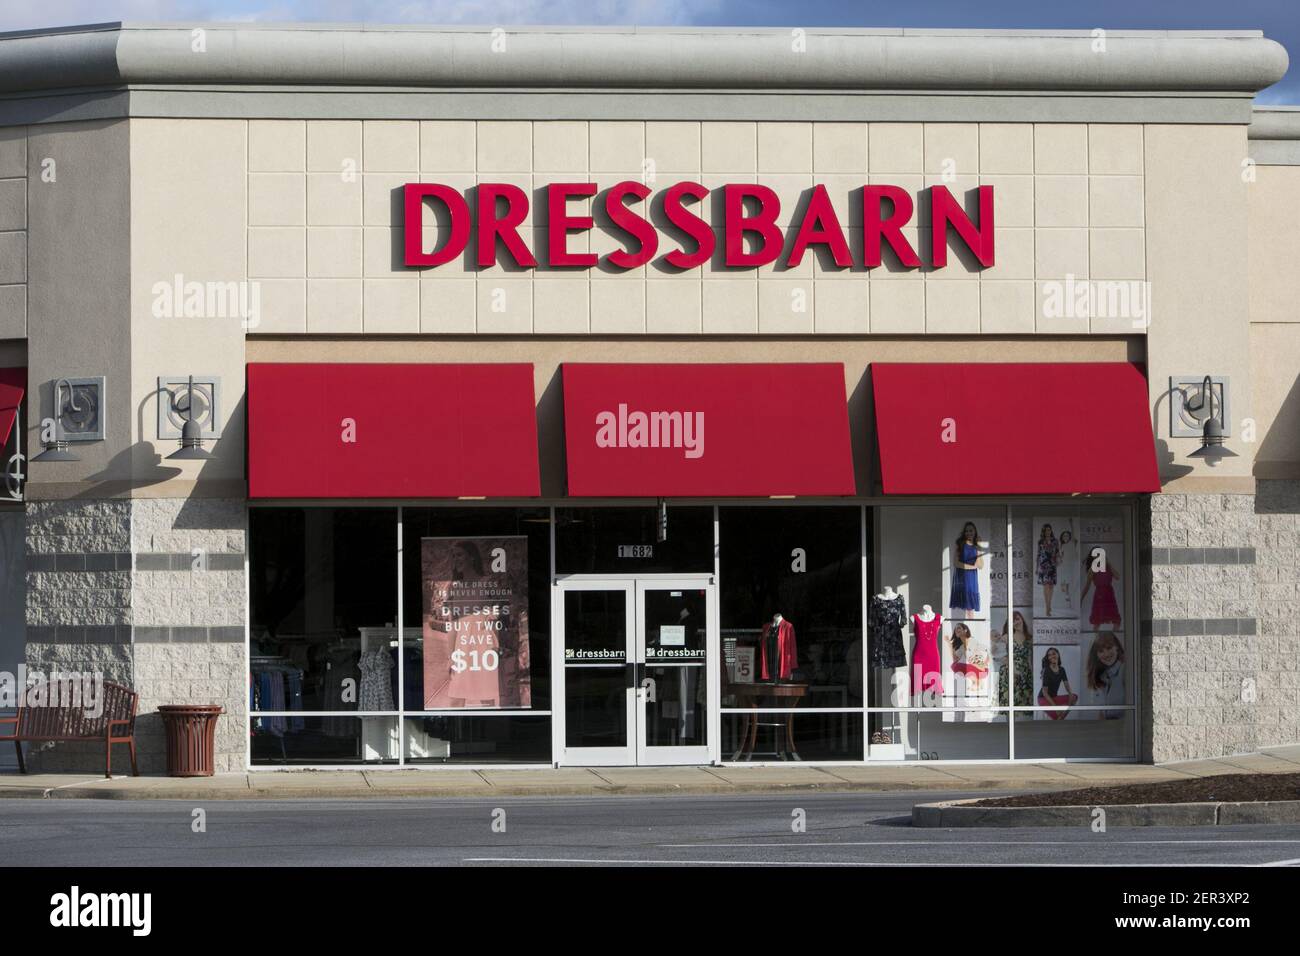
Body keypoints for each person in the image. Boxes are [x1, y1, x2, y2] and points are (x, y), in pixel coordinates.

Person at [994, 610, 1033, 709]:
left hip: (1025, 673)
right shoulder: (1007, 637)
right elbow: (994, 654)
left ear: (1022, 619)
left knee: (1024, 704)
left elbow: (1030, 659)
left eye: (1017, 619)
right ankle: (1009, 724)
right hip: (1009, 672)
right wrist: (1006, 661)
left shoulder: (1030, 638)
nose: (1016, 622)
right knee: (1009, 702)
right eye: (1012, 621)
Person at [1083, 631, 1126, 718]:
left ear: (1116, 648)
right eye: (1101, 651)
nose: (1106, 654)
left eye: (1109, 648)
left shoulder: (1125, 671)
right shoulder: (1100, 676)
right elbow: (1102, 713)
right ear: (1096, 655)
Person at [1080, 547, 1122, 629]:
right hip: (1099, 595)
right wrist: (1081, 599)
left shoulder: (1108, 566)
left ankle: (1112, 638)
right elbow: (1087, 586)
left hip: (1110, 594)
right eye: (1096, 555)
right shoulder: (1092, 569)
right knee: (1097, 620)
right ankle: (1096, 640)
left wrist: (1108, 563)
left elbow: (1117, 576)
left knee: (1116, 620)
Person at [949, 521, 983, 619]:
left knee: (970, 609)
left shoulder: (977, 546)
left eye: (971, 530)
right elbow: (956, 563)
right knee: (960, 609)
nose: (969, 533)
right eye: (967, 531)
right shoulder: (960, 543)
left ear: (975, 531)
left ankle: (969, 629)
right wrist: (972, 567)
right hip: (961, 578)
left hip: (971, 579)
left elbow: (980, 565)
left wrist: (979, 547)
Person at [1037, 646, 1077, 719]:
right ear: (1048, 658)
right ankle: (1060, 718)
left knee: (1074, 697)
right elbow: (1045, 693)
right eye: (1049, 655)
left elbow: (1067, 686)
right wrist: (1056, 708)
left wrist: (1070, 694)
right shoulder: (1047, 670)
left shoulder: (1062, 670)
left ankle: (1061, 717)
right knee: (1058, 716)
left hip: (1053, 698)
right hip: (1043, 699)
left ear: (1058, 654)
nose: (1052, 656)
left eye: (1054, 653)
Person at [1036, 523, 1059, 617]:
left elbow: (1057, 553)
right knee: (1045, 586)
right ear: (1044, 531)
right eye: (1046, 530)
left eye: (1049, 530)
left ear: (1051, 531)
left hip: (1052, 565)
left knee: (1051, 586)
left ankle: (1049, 605)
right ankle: (1047, 607)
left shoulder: (1055, 541)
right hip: (1043, 565)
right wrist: (1036, 567)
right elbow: (1038, 554)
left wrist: (1057, 561)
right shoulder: (1040, 541)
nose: (1048, 532)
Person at [1056, 528, 1078, 611]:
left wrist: (1071, 523)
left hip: (1071, 567)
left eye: (1067, 535)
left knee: (1069, 586)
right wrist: (1058, 562)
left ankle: (1070, 603)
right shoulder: (1062, 546)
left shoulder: (1073, 543)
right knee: (1063, 587)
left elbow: (1074, 536)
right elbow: (1061, 557)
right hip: (1064, 566)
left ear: (1069, 537)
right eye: (1064, 536)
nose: (1065, 537)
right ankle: (1067, 601)